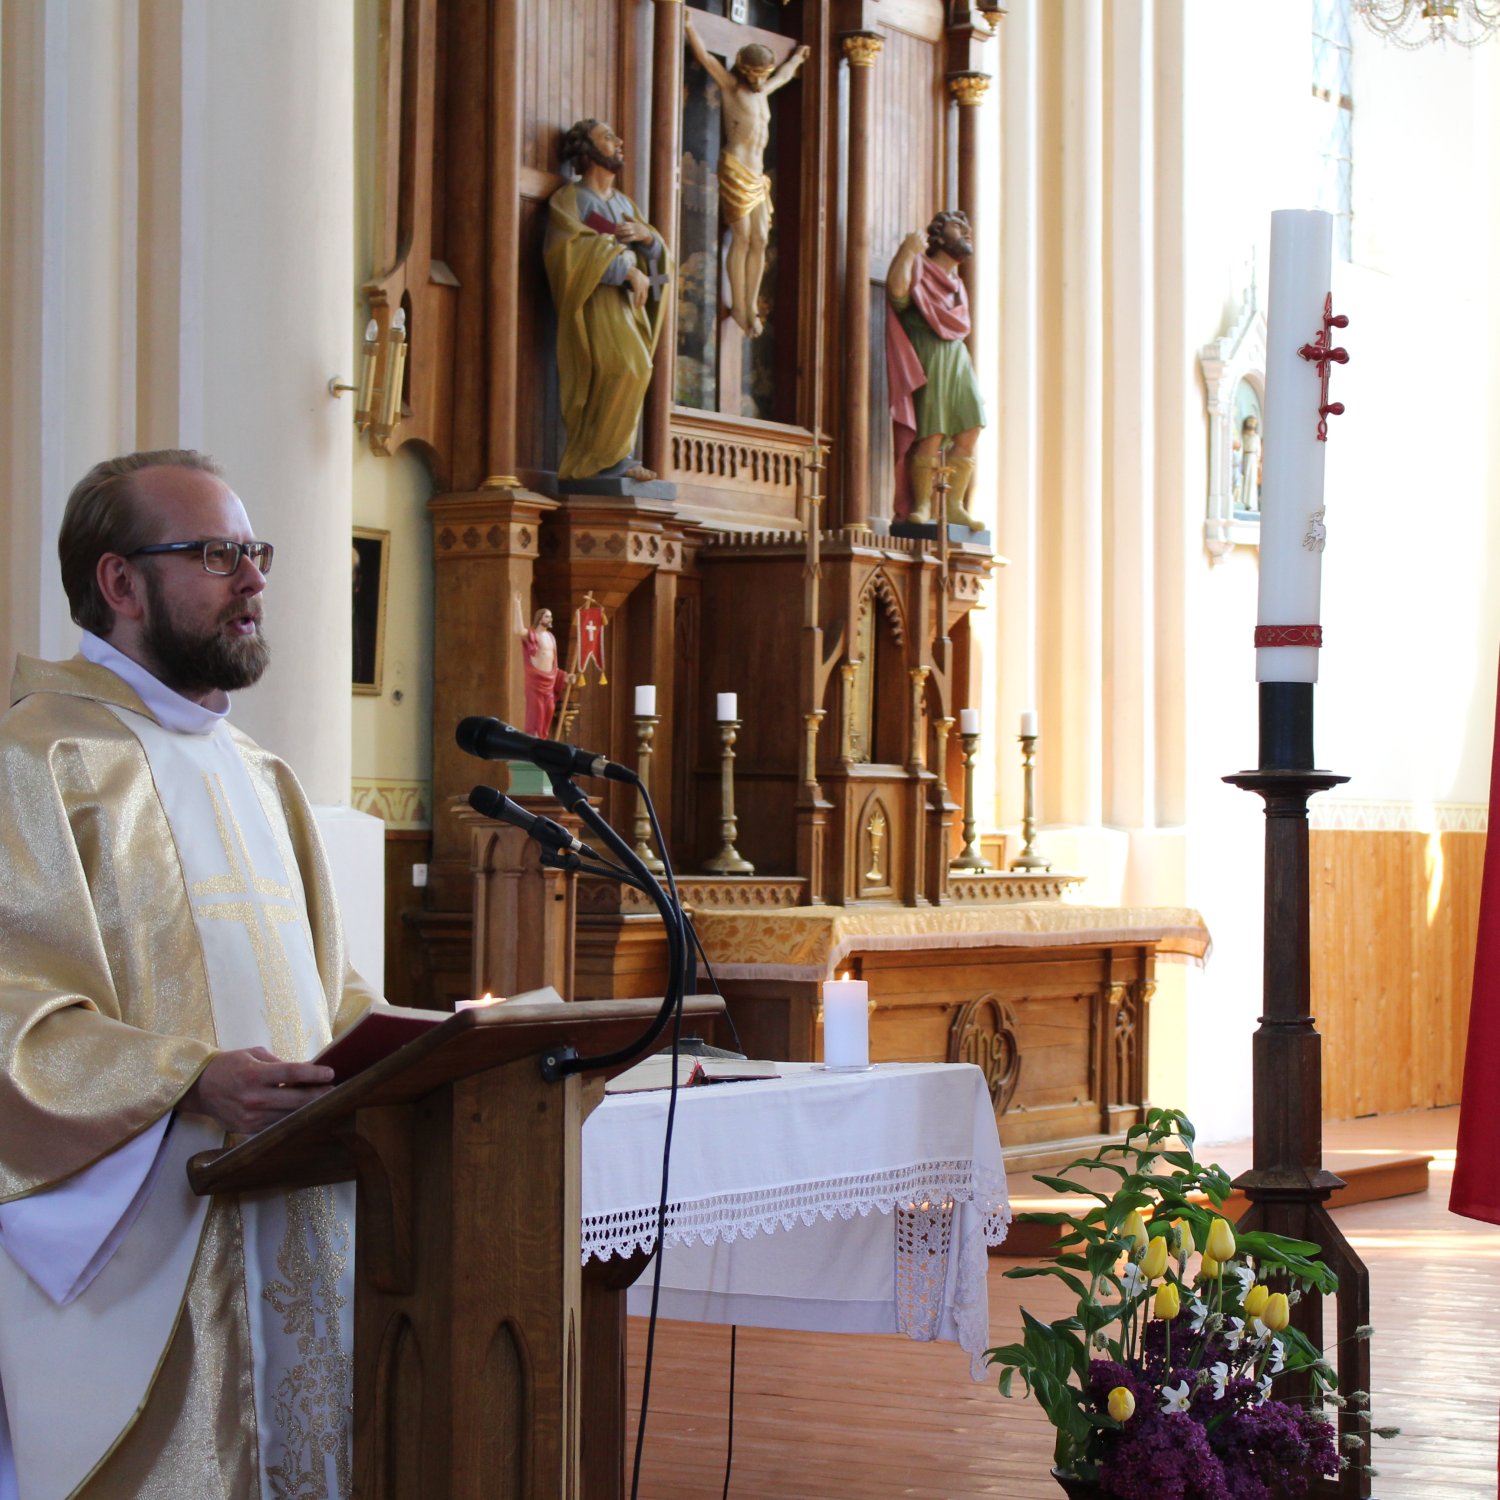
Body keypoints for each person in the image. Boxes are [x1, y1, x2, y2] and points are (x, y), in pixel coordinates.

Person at [0, 449, 375, 1498]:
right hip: (150, 1259)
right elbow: (13, 1021)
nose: (253, 579)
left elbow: (331, 1000)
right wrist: (189, 1079)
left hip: (300, 1226)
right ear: (121, 584)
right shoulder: (38, 764)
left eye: (254, 552)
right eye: (217, 555)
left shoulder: (263, 778)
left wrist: (432, 1047)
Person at [544, 118, 670, 483]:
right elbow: (567, 250)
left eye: (616, 136)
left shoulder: (624, 204)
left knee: (637, 368)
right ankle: (598, 460)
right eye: (608, 138)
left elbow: (660, 262)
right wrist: (623, 267)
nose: (619, 142)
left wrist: (648, 241)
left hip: (627, 306)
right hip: (593, 302)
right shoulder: (571, 200)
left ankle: (615, 456)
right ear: (588, 150)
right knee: (626, 367)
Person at [683, 17, 810, 339]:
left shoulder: (763, 90)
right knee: (741, 237)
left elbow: (783, 76)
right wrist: (688, 27)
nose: (759, 81)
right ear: (743, 70)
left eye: (762, 76)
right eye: (755, 75)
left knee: (761, 240)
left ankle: (749, 304)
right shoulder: (729, 87)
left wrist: (795, 59)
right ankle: (738, 305)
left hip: (757, 173)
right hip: (735, 167)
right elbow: (706, 60)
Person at [886, 209, 987, 528]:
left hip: (957, 358)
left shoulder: (957, 283)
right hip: (930, 358)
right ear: (939, 237)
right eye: (959, 228)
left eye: (968, 228)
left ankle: (954, 504)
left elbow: (958, 325)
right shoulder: (918, 267)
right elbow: (898, 295)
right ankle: (924, 505)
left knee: (971, 428)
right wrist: (906, 251)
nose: (967, 233)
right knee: (932, 431)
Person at [514, 595, 569, 739]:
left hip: (549, 683)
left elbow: (553, 664)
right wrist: (517, 604)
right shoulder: (533, 635)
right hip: (536, 683)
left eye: (550, 617)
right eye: (547, 616)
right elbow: (518, 630)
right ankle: (534, 741)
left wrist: (565, 676)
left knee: (549, 710)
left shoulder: (551, 637)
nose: (550, 619)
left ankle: (542, 740)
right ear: (540, 618)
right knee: (536, 713)